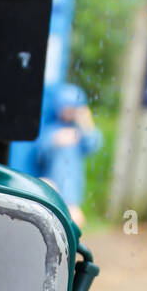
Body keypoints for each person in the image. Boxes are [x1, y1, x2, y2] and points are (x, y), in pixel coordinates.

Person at [37, 82, 102, 231]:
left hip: (72, 189)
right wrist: (54, 140)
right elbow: (40, 151)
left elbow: (93, 144)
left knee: (73, 223)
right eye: (67, 107)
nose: (70, 111)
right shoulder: (50, 126)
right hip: (52, 183)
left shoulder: (79, 131)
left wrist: (85, 121)